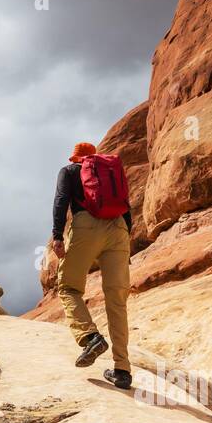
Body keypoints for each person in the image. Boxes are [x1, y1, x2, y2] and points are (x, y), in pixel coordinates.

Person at [51, 141, 132, 388]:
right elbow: (126, 206)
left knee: (68, 288)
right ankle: (122, 371)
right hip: (118, 228)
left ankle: (90, 337)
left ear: (75, 158)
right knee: (117, 301)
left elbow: (61, 200)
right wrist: (126, 240)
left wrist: (57, 235)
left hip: (86, 225)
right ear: (94, 157)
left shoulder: (69, 171)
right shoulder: (110, 172)